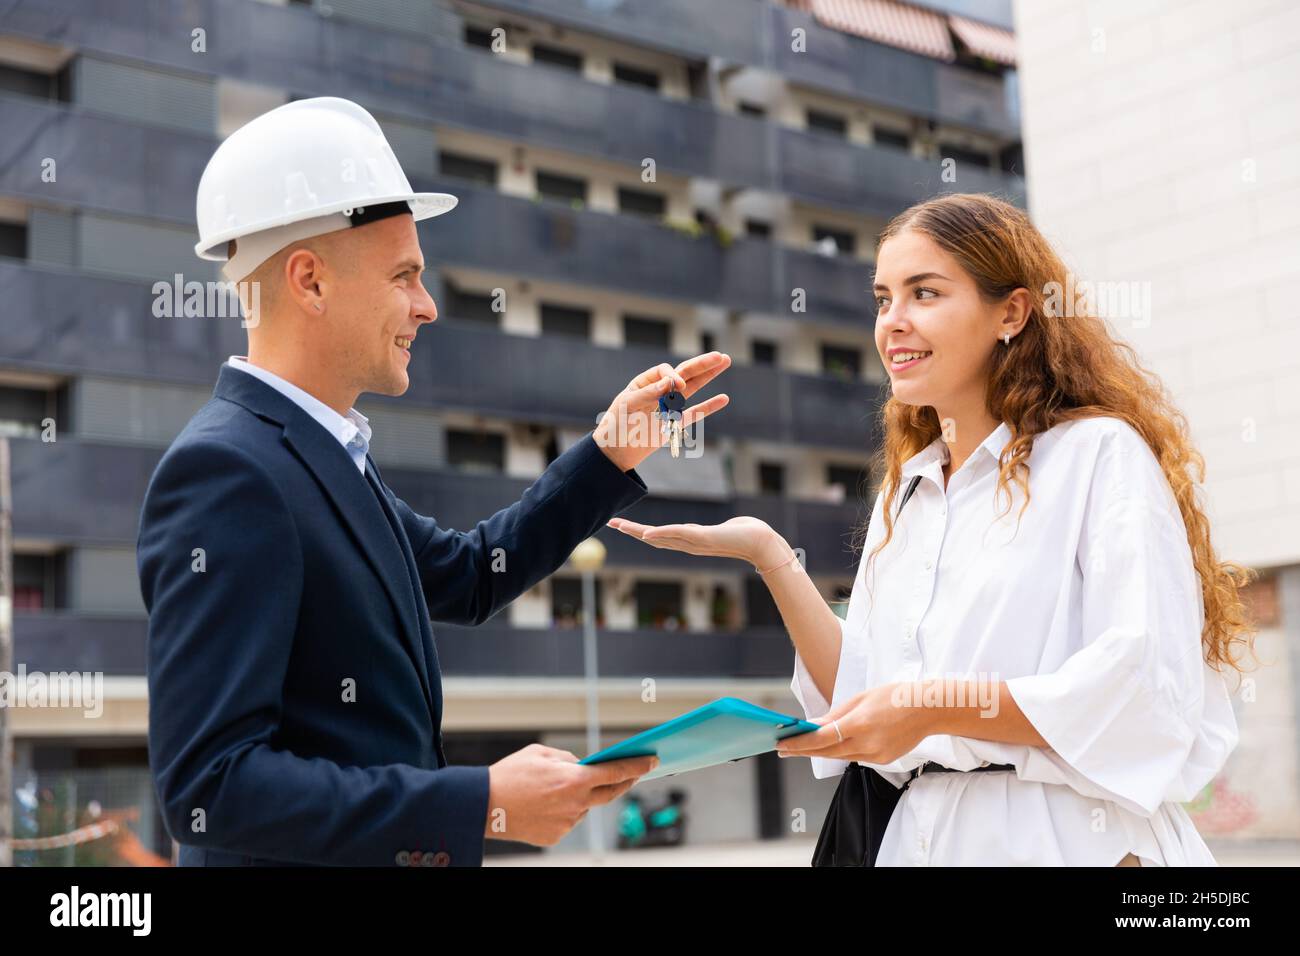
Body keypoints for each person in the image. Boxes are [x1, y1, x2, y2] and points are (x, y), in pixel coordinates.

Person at [137, 97, 732, 866]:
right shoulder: (228, 473)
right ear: (309, 282)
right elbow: (208, 790)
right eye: (405, 276)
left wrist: (611, 452)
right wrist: (479, 803)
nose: (427, 306)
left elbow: (469, 574)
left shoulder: (321, 456)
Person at [609, 192, 1257, 866]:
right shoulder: (907, 490)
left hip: (1063, 838)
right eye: (883, 299)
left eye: (924, 293)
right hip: (915, 838)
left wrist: (932, 708)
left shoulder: (1097, 454)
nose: (893, 322)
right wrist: (773, 558)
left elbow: (1143, 682)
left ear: (1011, 312)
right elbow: (857, 699)